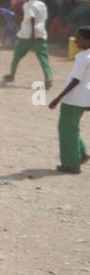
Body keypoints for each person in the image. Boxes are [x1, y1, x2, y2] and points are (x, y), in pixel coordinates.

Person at [48, 25, 90, 173]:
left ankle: (72, 164)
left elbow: (75, 80)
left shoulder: (83, 58)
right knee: (72, 127)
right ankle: (81, 153)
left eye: (78, 39)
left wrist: (58, 98)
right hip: (83, 98)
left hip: (73, 99)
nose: (75, 41)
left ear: (87, 41)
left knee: (66, 130)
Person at [3, 0, 53, 89]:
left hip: (27, 35)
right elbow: (44, 18)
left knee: (17, 55)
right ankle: (48, 77)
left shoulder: (27, 5)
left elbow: (32, 18)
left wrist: (32, 34)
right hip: (40, 34)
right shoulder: (43, 5)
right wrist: (38, 32)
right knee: (43, 58)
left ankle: (12, 75)